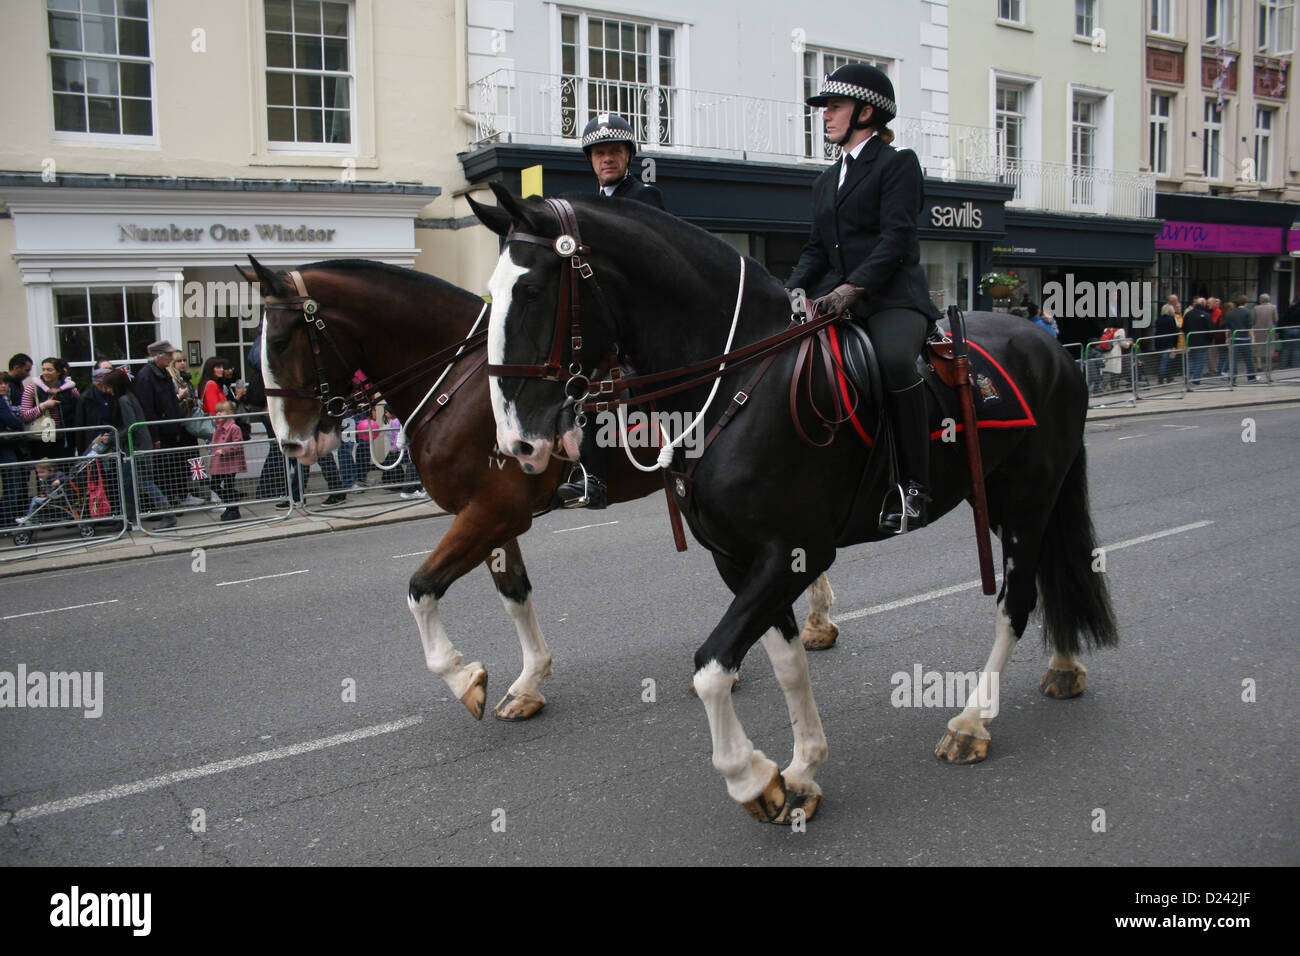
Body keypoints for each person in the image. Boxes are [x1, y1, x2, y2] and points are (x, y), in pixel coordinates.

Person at [785, 63, 940, 532]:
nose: (825, 115)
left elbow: (895, 240)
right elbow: (816, 249)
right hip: (834, 296)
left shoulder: (898, 165)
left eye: (834, 107)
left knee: (895, 361)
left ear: (866, 112)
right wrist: (790, 290)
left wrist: (852, 289)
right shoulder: (825, 180)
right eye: (825, 108)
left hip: (892, 297)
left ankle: (914, 485)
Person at [555, 112, 666, 509]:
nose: (607, 159)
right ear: (590, 160)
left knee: (599, 385)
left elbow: (645, 261)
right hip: (601, 313)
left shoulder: (643, 197)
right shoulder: (580, 206)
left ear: (627, 157)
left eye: (614, 152)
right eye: (599, 153)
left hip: (636, 312)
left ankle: (596, 480)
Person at [105, 368, 175, 528]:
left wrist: (112, 437)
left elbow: (131, 426)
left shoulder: (123, 400)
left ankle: (168, 515)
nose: (108, 391)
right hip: (137, 446)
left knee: (144, 482)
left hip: (137, 448)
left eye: (109, 387)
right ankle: (129, 518)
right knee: (128, 482)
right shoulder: (130, 397)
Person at [20, 356, 80, 459]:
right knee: (45, 471)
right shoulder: (32, 388)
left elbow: (79, 407)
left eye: (49, 369)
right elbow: (24, 416)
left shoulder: (70, 389)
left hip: (65, 438)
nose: (45, 372)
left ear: (59, 372)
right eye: (43, 369)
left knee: (65, 470)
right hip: (42, 439)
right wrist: (43, 406)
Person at [207, 400, 246, 522]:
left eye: (221, 411)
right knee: (214, 484)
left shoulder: (234, 428)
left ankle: (232, 508)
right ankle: (233, 502)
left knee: (228, 485)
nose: (218, 414)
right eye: (216, 412)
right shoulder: (218, 427)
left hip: (230, 463)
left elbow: (238, 444)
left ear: (229, 413)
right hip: (221, 463)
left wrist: (224, 450)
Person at [14, 458, 70, 526]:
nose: (39, 475)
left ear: (51, 471)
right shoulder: (44, 478)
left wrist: (59, 481)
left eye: (42, 472)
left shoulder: (57, 475)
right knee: (36, 499)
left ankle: (29, 518)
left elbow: (67, 477)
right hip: (50, 496)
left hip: (56, 497)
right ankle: (31, 518)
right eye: (38, 472)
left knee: (34, 500)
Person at [1181, 297, 1214, 385]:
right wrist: (1209, 341)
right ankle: (1196, 380)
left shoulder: (1188, 314)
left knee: (1192, 360)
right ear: (1203, 304)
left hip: (1191, 342)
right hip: (1202, 343)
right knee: (1200, 361)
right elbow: (1211, 329)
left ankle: (1187, 378)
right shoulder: (1206, 315)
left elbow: (1184, 328)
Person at [1225, 294, 1257, 384]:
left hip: (1234, 338)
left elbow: (1228, 328)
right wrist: (1253, 338)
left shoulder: (1231, 312)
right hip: (1245, 338)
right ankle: (1251, 377)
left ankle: (1232, 378)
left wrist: (1227, 338)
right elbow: (1250, 327)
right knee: (1248, 358)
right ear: (1246, 303)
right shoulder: (1247, 312)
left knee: (1233, 359)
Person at [1154, 304, 1181, 384]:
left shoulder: (1158, 320)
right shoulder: (1171, 319)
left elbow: (1157, 332)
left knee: (1164, 361)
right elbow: (1175, 332)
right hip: (1168, 343)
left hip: (1159, 344)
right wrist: (1175, 345)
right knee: (1165, 361)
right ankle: (1161, 379)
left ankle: (1168, 377)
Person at [1252, 293, 1278, 372]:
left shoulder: (1256, 308)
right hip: (1270, 330)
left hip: (1258, 330)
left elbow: (1253, 320)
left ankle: (1259, 366)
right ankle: (1269, 366)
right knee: (1269, 346)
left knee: (1258, 347)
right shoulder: (1274, 307)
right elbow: (1276, 319)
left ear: (1260, 300)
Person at [1279, 296, 1300, 369]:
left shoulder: (1289, 309)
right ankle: (1295, 366)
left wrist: (1278, 330)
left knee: (1286, 348)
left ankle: (1283, 365)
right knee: (1296, 349)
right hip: (1298, 329)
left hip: (1287, 329)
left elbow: (1282, 319)